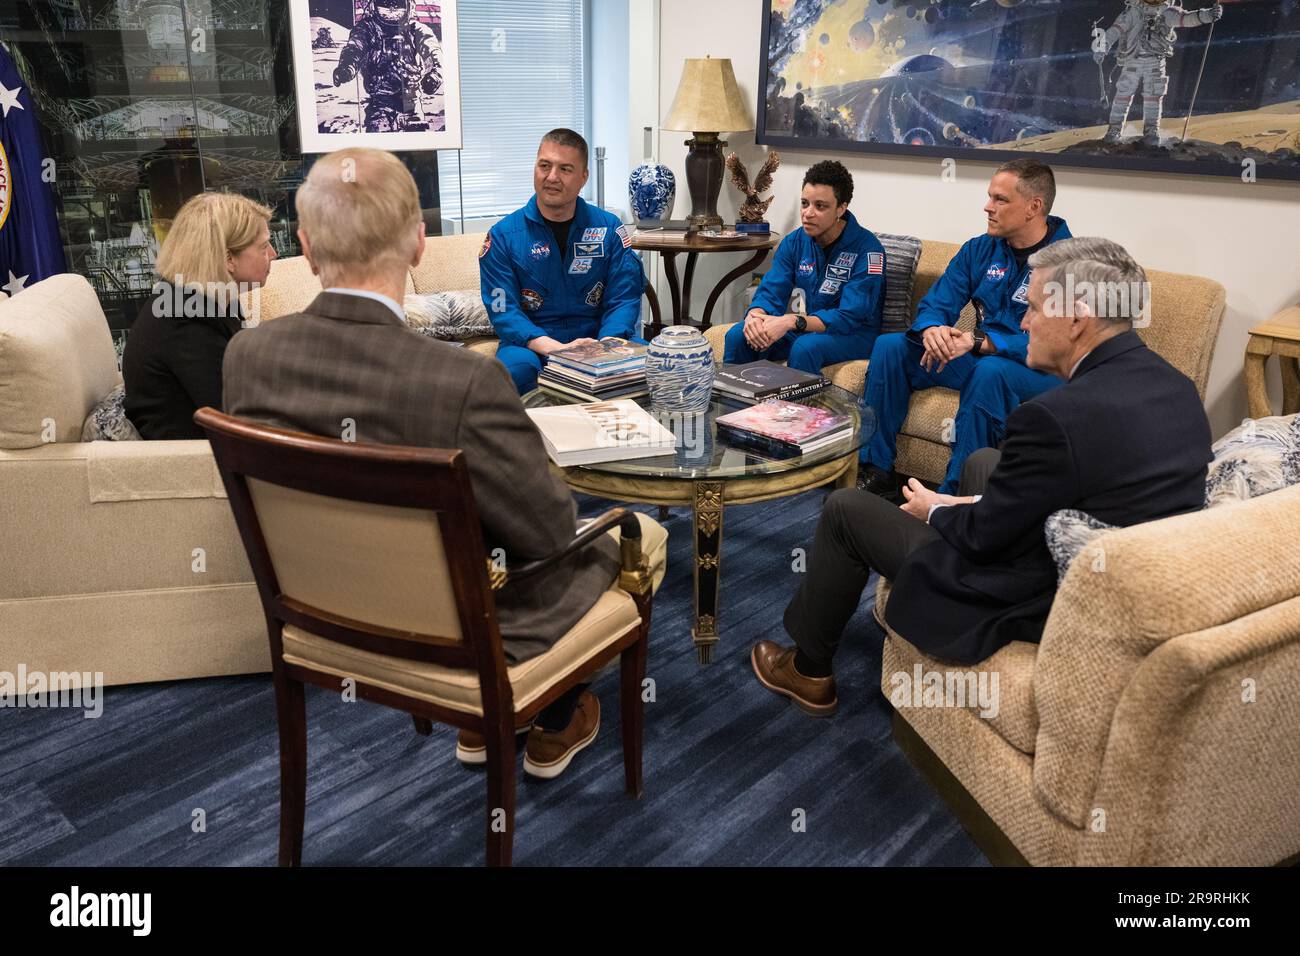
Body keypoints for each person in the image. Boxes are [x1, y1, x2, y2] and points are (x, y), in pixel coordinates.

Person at [223, 147, 665, 779]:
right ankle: (552, 711)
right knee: (634, 536)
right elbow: (546, 532)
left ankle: (477, 721)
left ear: (307, 248)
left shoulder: (245, 358)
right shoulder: (463, 382)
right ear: (418, 244)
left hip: (328, 617)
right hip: (465, 629)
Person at [752, 237, 1211, 715]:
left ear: (1076, 319)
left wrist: (937, 511)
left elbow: (985, 535)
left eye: (1032, 309)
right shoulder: (1177, 389)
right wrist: (967, 501)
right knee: (982, 463)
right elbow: (1073, 494)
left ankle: (808, 671)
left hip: (1035, 594)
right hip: (1116, 561)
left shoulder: (1055, 417)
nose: (1025, 322)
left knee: (846, 509)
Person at [859, 159, 1072, 498]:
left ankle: (956, 494)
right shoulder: (980, 249)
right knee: (892, 348)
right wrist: (933, 331)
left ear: (1034, 207)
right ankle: (875, 470)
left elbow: (1053, 341)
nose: (987, 207)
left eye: (1000, 199)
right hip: (982, 357)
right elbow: (936, 303)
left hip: (1042, 371)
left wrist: (979, 341)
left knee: (990, 372)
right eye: (989, 197)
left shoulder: (1069, 262)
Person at [479, 129, 646, 394]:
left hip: (601, 338)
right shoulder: (502, 236)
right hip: (532, 344)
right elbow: (503, 309)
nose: (552, 177)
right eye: (545, 165)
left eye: (565, 169)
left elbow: (624, 298)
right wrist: (553, 348)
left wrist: (602, 347)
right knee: (515, 371)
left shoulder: (609, 229)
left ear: (583, 177)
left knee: (652, 364)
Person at [123, 192, 276, 440]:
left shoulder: (203, 300)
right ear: (228, 259)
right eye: (263, 246)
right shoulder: (185, 321)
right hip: (195, 463)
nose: (273, 254)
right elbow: (232, 417)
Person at [723, 160, 886, 375]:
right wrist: (756, 314)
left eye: (820, 206)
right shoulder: (795, 242)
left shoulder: (869, 250)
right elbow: (772, 289)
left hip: (854, 334)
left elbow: (850, 316)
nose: (808, 213)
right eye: (804, 203)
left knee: (805, 348)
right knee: (738, 335)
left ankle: (797, 410)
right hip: (808, 327)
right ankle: (738, 407)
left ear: (841, 208)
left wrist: (792, 321)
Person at [1095, 0, 1224, 146]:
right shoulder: (1133, 13)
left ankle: (1151, 130)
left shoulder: (1168, 13)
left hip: (1155, 62)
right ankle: (1115, 129)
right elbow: (1114, 31)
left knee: (1153, 97)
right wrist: (1101, 47)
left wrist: (1208, 15)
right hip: (1133, 60)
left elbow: (1187, 19)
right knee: (1123, 95)